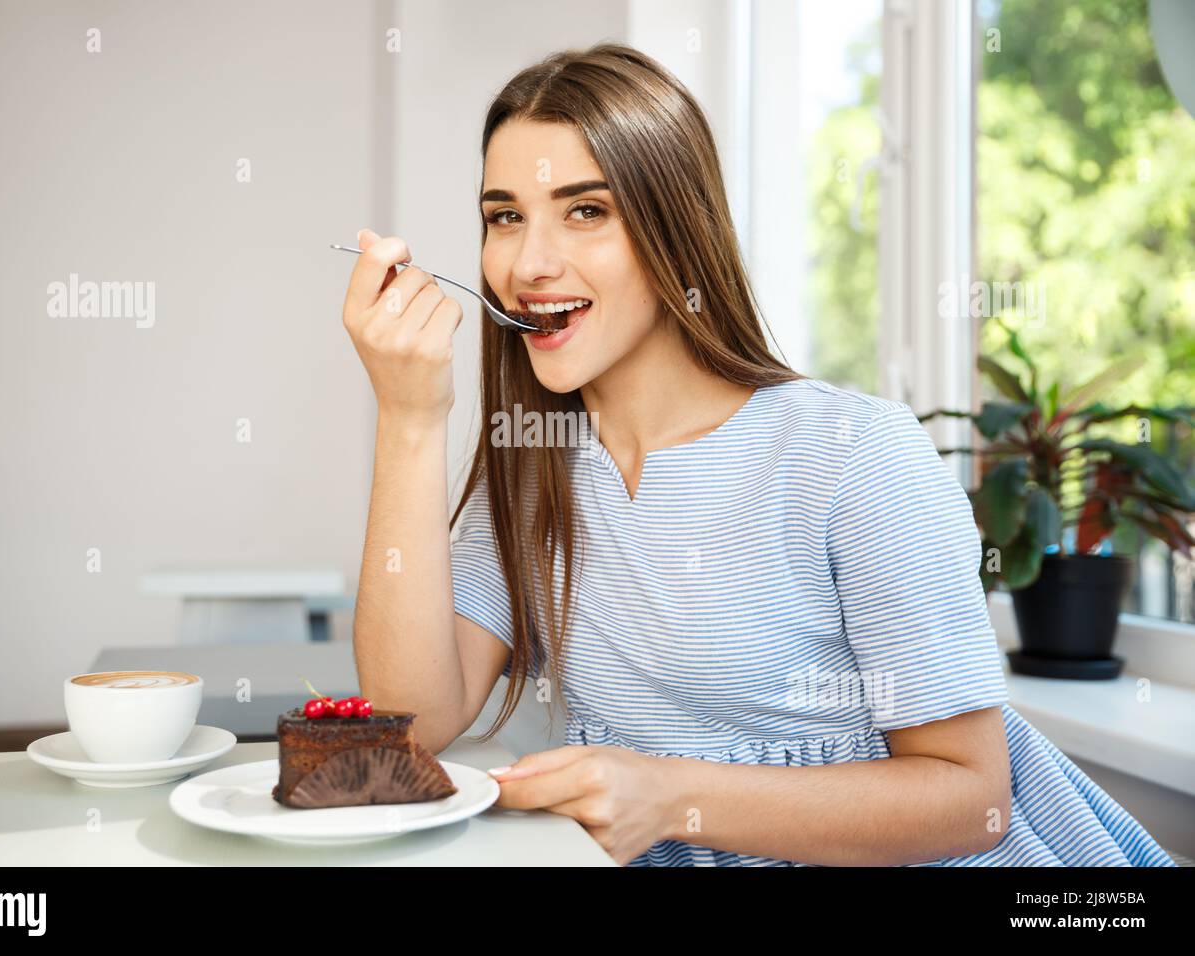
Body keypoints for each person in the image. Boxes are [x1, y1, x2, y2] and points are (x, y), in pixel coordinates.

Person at [342, 42, 1175, 867]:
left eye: (586, 210)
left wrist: (671, 796)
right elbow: (406, 718)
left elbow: (974, 799)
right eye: (505, 216)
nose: (528, 263)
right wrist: (409, 419)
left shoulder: (854, 454)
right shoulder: (537, 470)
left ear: (675, 230)